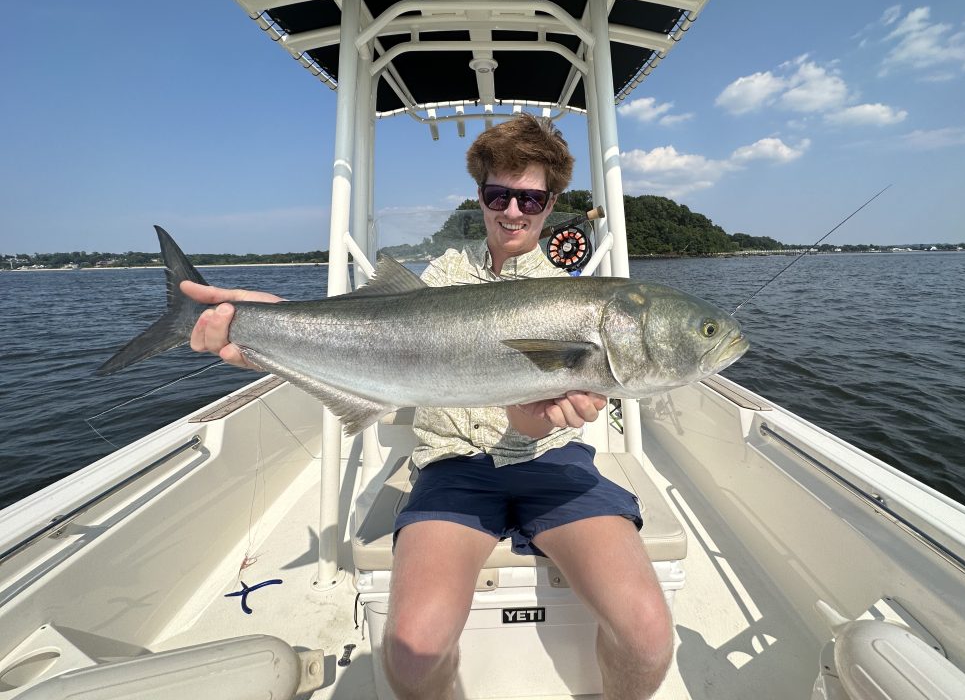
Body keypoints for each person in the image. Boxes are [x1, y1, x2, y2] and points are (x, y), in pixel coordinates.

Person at [184, 114, 674, 700]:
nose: (513, 212)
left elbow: (527, 423)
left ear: (551, 203)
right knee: (412, 656)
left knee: (647, 636)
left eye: (531, 198)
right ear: (480, 195)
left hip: (554, 466)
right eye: (499, 195)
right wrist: (265, 329)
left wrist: (535, 421)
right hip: (454, 467)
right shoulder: (443, 276)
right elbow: (369, 333)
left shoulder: (570, 295)